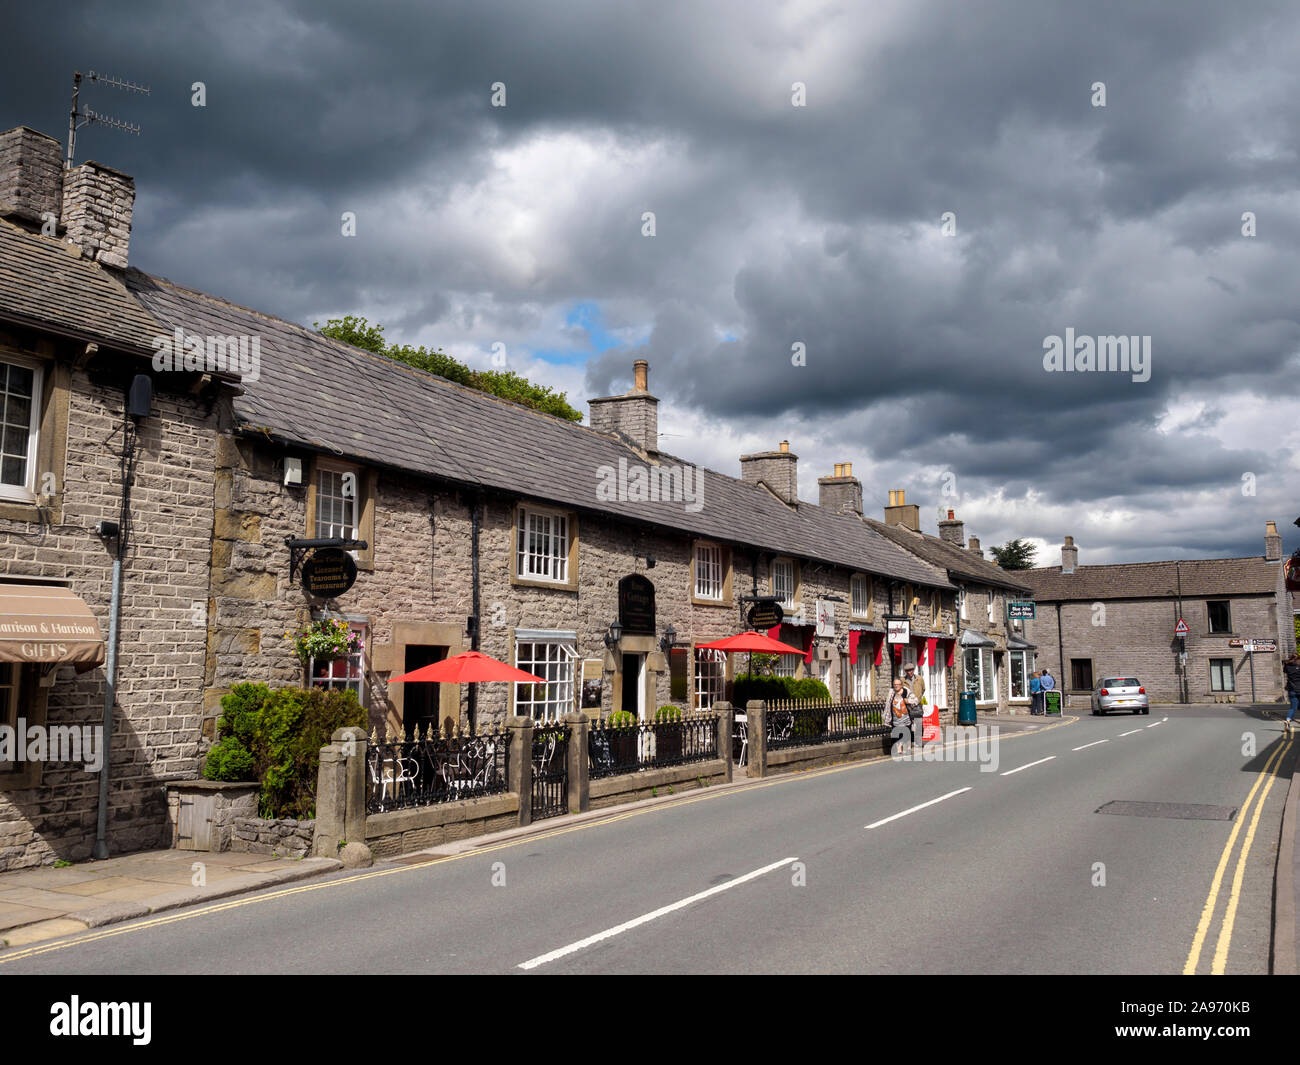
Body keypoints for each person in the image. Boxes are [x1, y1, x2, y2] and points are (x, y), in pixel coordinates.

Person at [887, 677, 915, 752]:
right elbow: (888, 704)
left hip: (905, 718)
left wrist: (908, 701)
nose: (896, 686)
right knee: (896, 735)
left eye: (898, 684)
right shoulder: (891, 692)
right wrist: (887, 716)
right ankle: (899, 749)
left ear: (901, 685)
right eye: (894, 684)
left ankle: (904, 747)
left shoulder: (906, 691)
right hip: (895, 719)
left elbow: (914, 700)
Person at [1284, 653, 1300, 736]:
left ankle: (1288, 720)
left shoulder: (1287, 666)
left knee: (1293, 708)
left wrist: (1288, 662)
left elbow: (1285, 671)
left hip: (1292, 690)